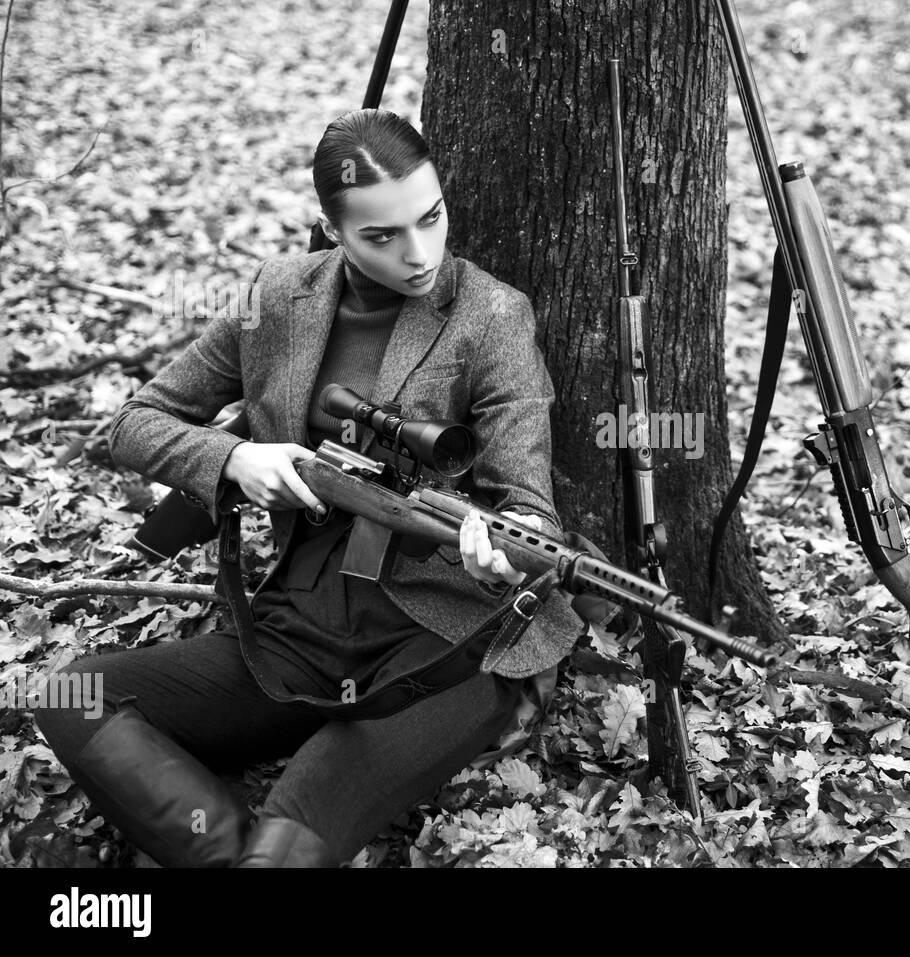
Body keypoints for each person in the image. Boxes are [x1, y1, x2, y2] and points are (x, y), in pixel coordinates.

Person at [34, 108, 584, 868]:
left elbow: (531, 511)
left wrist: (504, 556)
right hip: (296, 632)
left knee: (284, 847)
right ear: (329, 228)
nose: (419, 253)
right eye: (382, 235)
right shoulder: (276, 295)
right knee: (66, 693)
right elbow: (136, 421)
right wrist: (235, 461)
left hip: (444, 649)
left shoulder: (491, 316)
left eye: (431, 218)